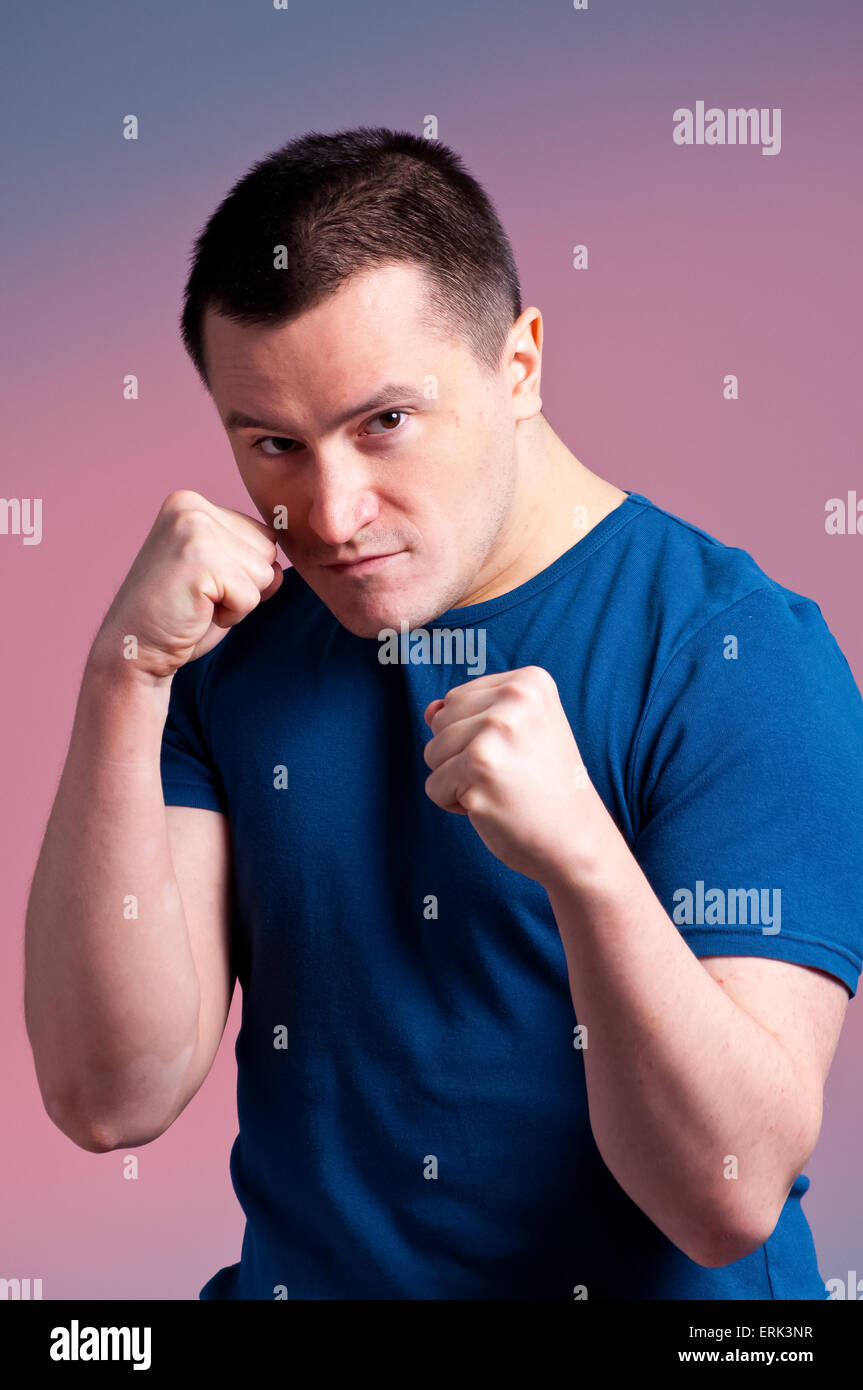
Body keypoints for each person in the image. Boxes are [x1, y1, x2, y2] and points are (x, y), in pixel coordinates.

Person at [24, 126, 863, 1300]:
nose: (328, 512)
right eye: (273, 445)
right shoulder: (222, 646)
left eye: (385, 423)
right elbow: (108, 1095)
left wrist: (584, 865)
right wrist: (122, 675)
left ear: (517, 366)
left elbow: (724, 1194)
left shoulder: (734, 656)